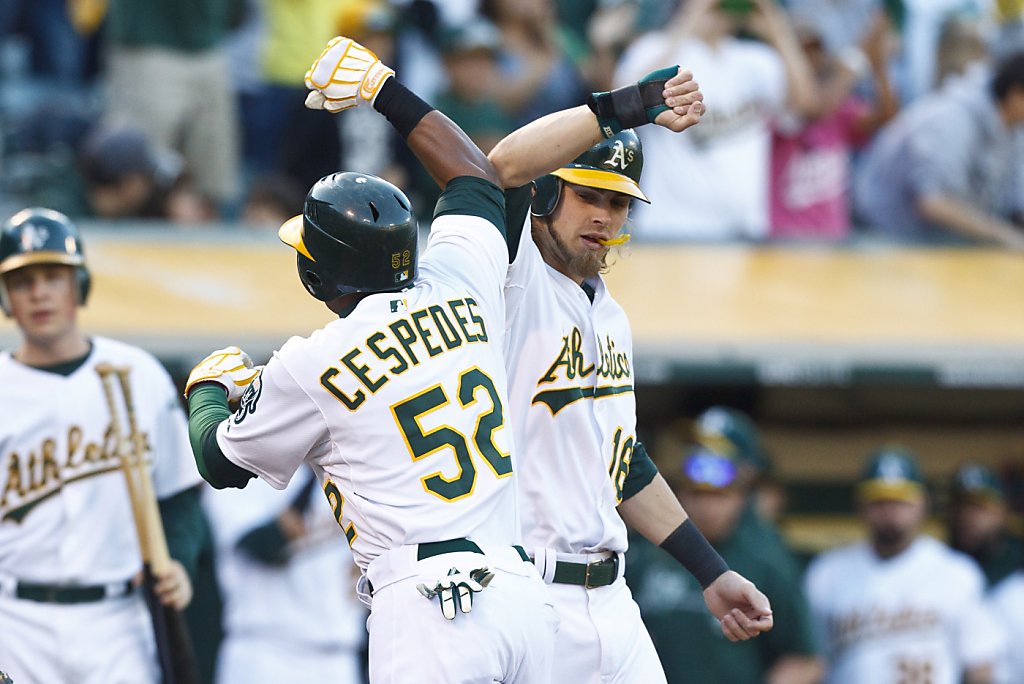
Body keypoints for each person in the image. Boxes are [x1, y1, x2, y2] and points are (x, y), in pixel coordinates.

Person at [184, 36, 557, 683]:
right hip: (522, 593)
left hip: (430, 605)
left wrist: (207, 390)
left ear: (319, 273)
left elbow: (218, 461)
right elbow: (474, 175)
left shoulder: (312, 359)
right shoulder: (459, 277)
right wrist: (385, 90)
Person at [485, 65, 774, 682]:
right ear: (547, 194)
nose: (605, 217)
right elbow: (502, 165)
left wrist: (711, 570)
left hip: (613, 601)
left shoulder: (610, 315)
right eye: (589, 195)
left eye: (619, 203)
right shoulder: (510, 275)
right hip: (524, 590)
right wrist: (626, 108)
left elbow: (623, 462)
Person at [0, 208, 205, 684]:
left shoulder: (138, 374)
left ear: (80, 285)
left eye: (53, 276)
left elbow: (178, 495)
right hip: (15, 619)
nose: (39, 293)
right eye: (23, 280)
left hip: (117, 622)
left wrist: (177, 559)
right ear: (7, 297)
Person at [613, 0, 818, 241]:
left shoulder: (757, 60)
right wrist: (687, 21)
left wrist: (778, 29)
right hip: (672, 228)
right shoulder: (656, 48)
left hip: (744, 229)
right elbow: (623, 106)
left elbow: (807, 107)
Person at [804, 446, 1006, 684]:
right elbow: (807, 663)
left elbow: (980, 667)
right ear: (860, 505)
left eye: (901, 500)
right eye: (879, 501)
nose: (890, 511)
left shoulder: (956, 572)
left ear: (923, 504)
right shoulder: (826, 574)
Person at [628, 447, 822, 684]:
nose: (708, 507)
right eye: (697, 494)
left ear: (741, 500)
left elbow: (803, 660)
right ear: (676, 496)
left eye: (720, 496)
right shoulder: (643, 558)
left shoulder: (766, 562)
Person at [204, 470, 366, 684]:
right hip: (266, 654)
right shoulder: (241, 472)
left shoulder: (353, 474)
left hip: (340, 658)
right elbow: (261, 547)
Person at [854, 50, 1024, 247]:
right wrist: (1004, 236)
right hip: (886, 243)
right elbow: (933, 203)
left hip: (937, 247)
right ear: (1016, 95)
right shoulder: (952, 121)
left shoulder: (1013, 128)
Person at [947, 462, 1024, 588]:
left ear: (1003, 511)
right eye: (959, 505)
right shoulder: (937, 562)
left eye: (979, 506)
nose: (966, 515)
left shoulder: (1020, 561)